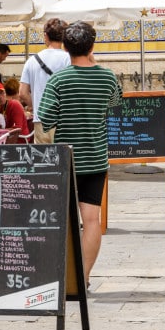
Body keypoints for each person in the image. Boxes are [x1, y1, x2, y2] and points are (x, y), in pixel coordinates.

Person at [36, 22, 123, 287]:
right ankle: (83, 276)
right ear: (92, 46)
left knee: (60, 219)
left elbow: (47, 119)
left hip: (66, 160)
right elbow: (116, 101)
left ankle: (61, 274)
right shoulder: (107, 78)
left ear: (65, 47)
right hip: (95, 159)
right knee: (91, 220)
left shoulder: (58, 80)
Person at [20, 18, 72, 141]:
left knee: (42, 159)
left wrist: (33, 105)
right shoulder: (69, 59)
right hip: (63, 121)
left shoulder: (32, 61)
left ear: (46, 36)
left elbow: (22, 93)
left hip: (40, 121)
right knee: (64, 158)